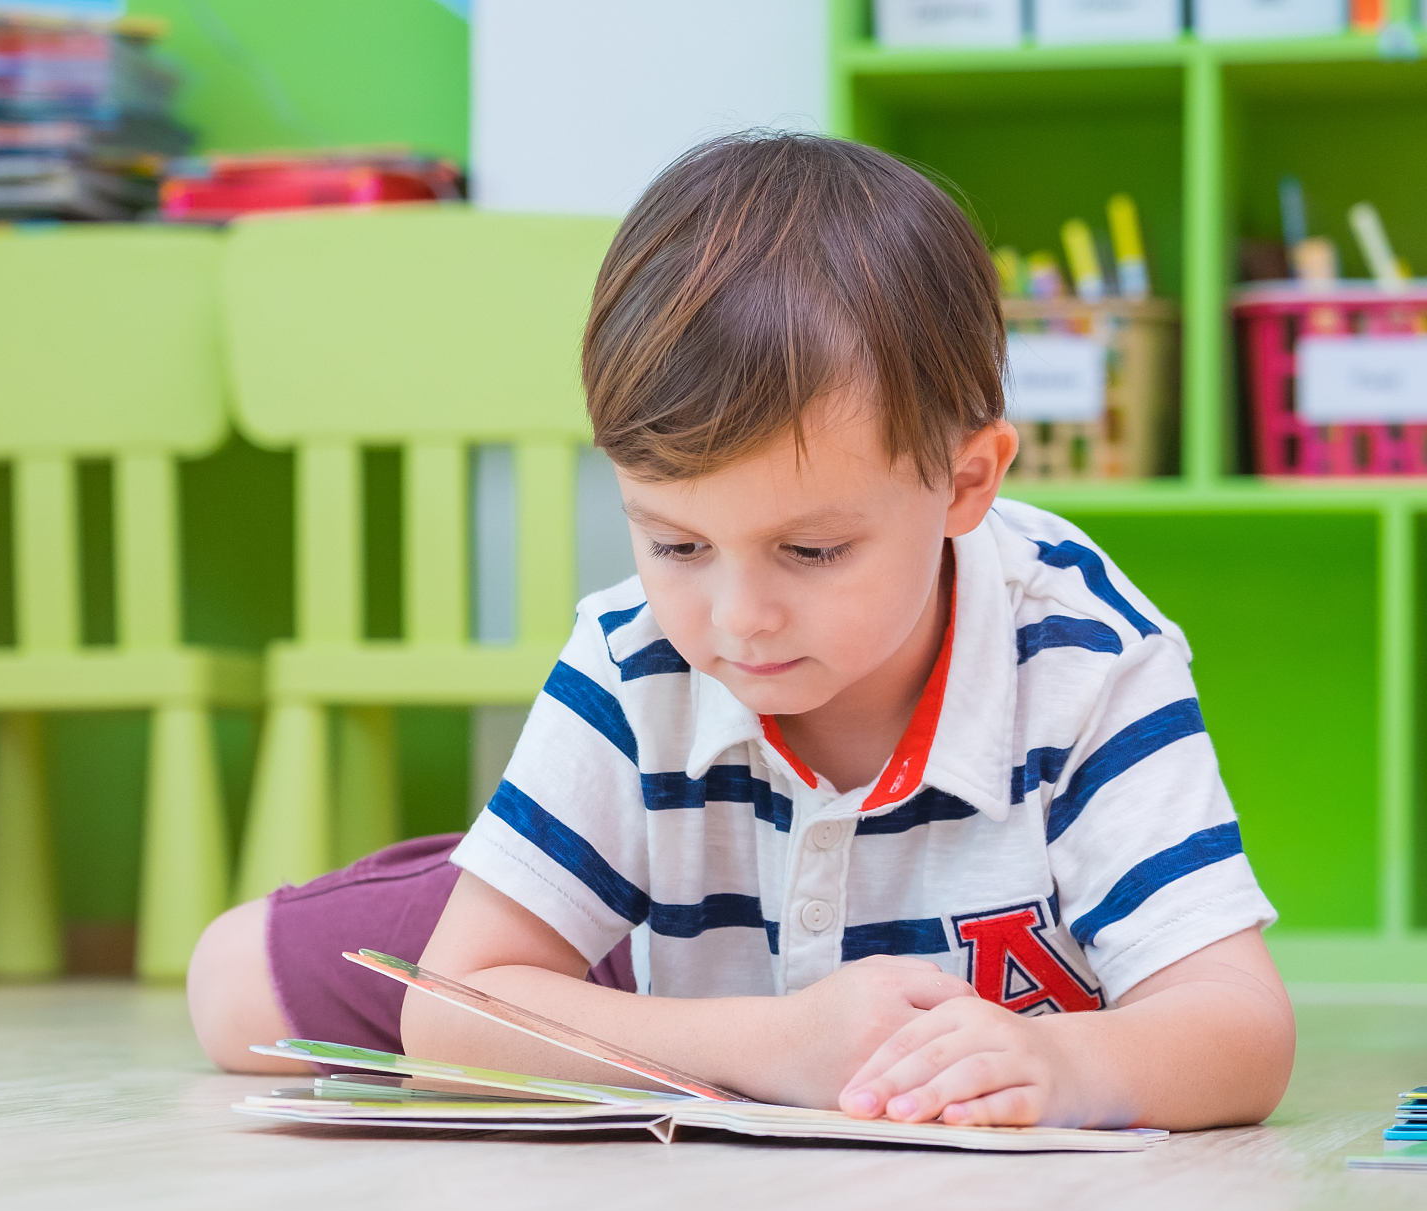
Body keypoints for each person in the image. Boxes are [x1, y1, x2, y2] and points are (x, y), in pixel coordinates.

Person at [187, 132, 1296, 1132]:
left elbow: (1239, 1027)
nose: (736, 619)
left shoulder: (1086, 653)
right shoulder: (636, 652)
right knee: (231, 986)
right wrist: (773, 1046)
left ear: (965, 483)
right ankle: (568, 897)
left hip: (744, 976)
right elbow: (448, 1015)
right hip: (655, 956)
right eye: (676, 544)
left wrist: (1064, 1064)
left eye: (811, 551)